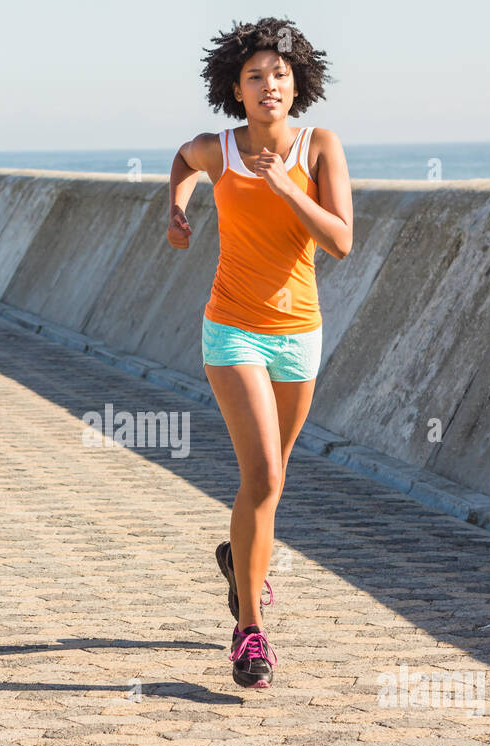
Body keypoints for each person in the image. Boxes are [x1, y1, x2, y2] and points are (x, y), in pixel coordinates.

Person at [167, 19, 353, 689]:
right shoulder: (219, 148)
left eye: (279, 74)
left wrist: (287, 188)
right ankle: (250, 630)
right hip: (232, 330)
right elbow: (183, 161)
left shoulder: (319, 146)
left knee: (266, 490)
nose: (269, 84)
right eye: (255, 76)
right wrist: (177, 208)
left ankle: (240, 560)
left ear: (297, 83)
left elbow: (340, 242)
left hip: (300, 332)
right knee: (266, 476)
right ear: (236, 90)